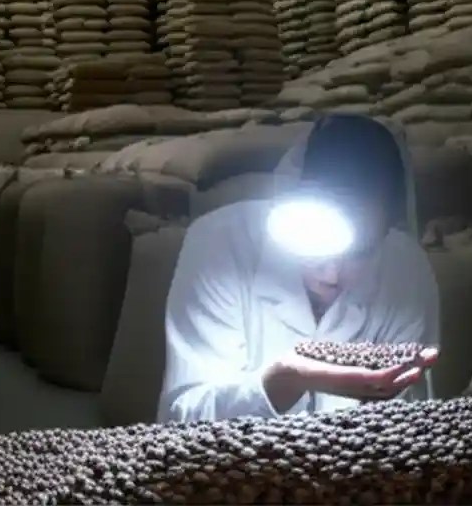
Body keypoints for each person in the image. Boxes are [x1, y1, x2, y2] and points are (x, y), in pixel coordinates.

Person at [157, 114, 440, 423]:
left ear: (386, 229)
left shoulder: (406, 268)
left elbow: (405, 427)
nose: (331, 274)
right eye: (317, 244)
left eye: (359, 253)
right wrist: (283, 382)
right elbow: (182, 420)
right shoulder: (220, 245)